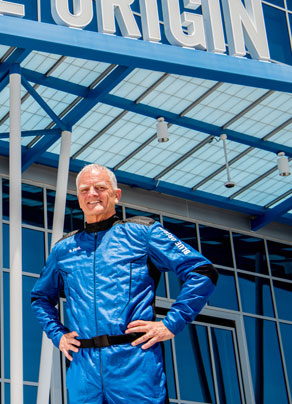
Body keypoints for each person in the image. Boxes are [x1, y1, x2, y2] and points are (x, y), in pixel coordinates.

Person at [31, 164, 218, 403]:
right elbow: (40, 298)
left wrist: (171, 324)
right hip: (83, 371)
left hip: (135, 364)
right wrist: (58, 335)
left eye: (100, 188)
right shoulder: (64, 249)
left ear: (116, 195)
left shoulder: (142, 232)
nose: (92, 194)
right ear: (78, 198)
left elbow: (202, 271)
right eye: (85, 189)